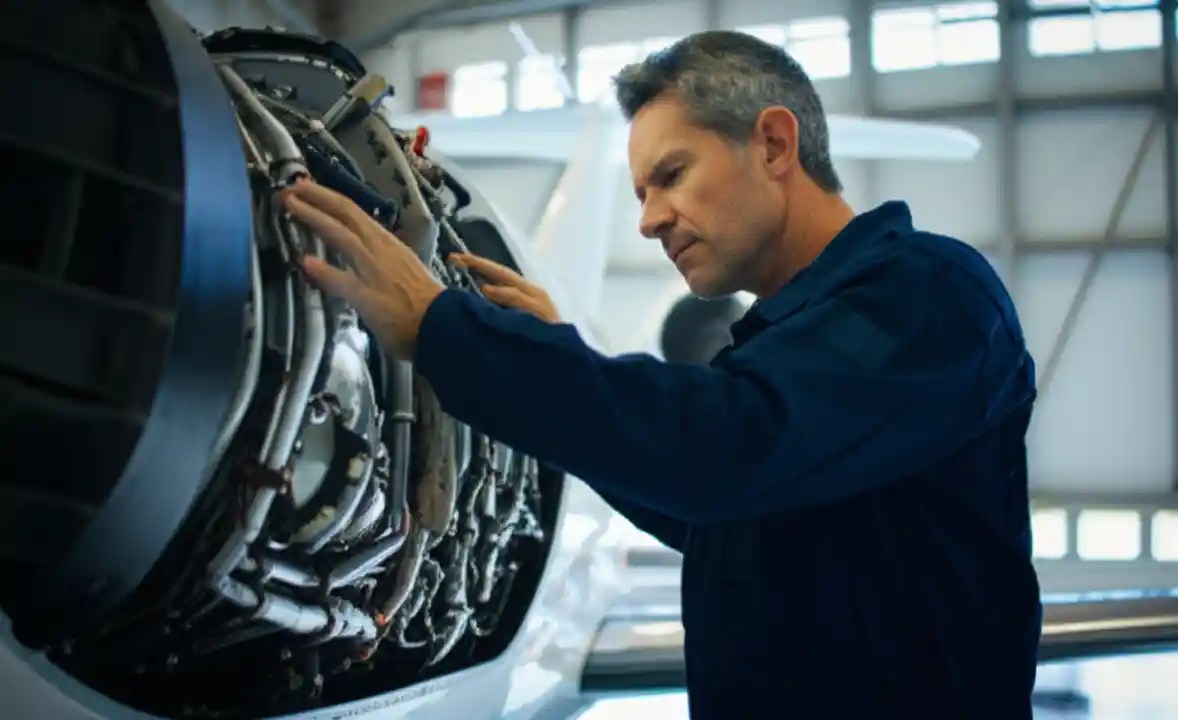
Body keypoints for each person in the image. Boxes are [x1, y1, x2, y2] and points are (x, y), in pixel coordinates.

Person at [280, 30, 1042, 720]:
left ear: (775, 144)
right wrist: (547, 360)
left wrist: (445, 329)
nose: (648, 220)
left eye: (671, 175)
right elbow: (713, 514)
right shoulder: (785, 343)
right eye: (643, 192)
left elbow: (719, 452)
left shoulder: (929, 293)